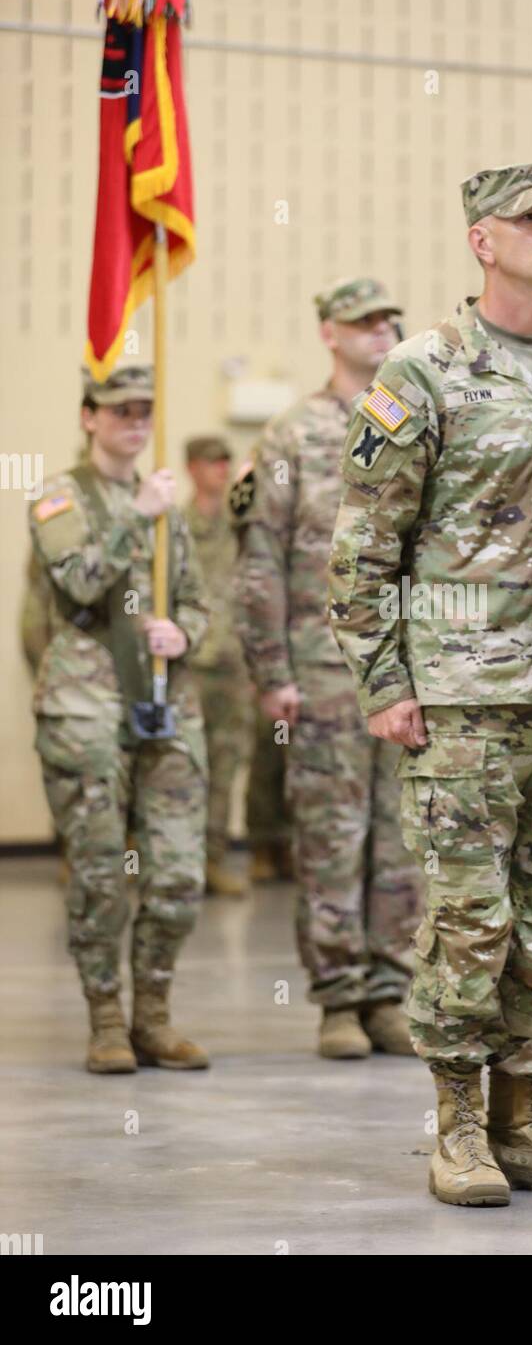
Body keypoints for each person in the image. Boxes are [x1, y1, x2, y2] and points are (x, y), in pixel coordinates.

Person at [328, 164, 532, 1207]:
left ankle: (523, 1118)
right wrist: (382, 678)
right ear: (480, 239)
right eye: (531, 219)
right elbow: (364, 543)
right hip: (462, 696)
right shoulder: (422, 372)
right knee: (471, 917)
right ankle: (456, 1127)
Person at [233, 278, 424, 1059]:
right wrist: (271, 668)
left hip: (407, 671)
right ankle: (338, 998)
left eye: (388, 321)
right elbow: (261, 563)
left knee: (401, 840)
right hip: (320, 671)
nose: (380, 334)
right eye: (363, 323)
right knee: (331, 838)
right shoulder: (290, 435)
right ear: (329, 334)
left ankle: (389, 990)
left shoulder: (414, 423)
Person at [29, 364, 210, 1074]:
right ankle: (106, 1020)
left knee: (175, 875)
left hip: (165, 704)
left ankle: (154, 1017)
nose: (135, 422)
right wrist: (137, 511)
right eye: (119, 410)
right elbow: (75, 578)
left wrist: (184, 633)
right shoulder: (57, 496)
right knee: (103, 872)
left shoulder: (167, 506)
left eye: (144, 411)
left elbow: (196, 597)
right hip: (87, 703)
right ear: (88, 418)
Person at [184, 435, 253, 897]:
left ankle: (211, 859)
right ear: (192, 468)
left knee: (225, 767)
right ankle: (179, 866)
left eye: (225, 462)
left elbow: (263, 508)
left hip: (233, 664)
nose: (220, 470)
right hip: (190, 664)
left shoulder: (238, 520)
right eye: (212, 463)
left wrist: (254, 478)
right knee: (185, 768)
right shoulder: (177, 523)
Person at [245, 707, 293, 884]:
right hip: (277, 708)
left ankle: (287, 846)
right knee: (269, 766)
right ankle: (263, 847)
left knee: (292, 773)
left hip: (310, 700)